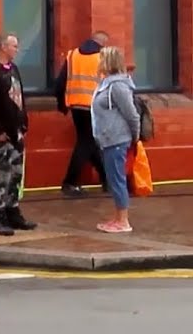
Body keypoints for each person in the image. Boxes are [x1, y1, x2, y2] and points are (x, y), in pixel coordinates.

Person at [0, 32, 37, 236]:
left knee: (16, 175)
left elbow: (19, 97)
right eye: (14, 46)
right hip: (1, 135)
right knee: (1, 175)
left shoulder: (13, 70)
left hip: (16, 132)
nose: (17, 49)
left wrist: (24, 124)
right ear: (3, 47)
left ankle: (13, 212)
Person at [90, 46, 140, 233]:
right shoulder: (106, 83)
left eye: (101, 59)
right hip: (107, 140)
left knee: (117, 180)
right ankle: (118, 217)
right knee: (113, 179)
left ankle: (124, 221)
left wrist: (135, 138)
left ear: (108, 62)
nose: (98, 62)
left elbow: (132, 115)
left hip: (117, 140)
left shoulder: (118, 86)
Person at [52, 30, 110, 196]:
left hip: (76, 105)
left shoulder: (73, 55)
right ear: (103, 44)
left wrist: (62, 104)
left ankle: (106, 179)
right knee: (86, 143)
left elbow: (59, 82)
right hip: (94, 107)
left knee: (89, 142)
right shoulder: (102, 58)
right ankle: (69, 182)